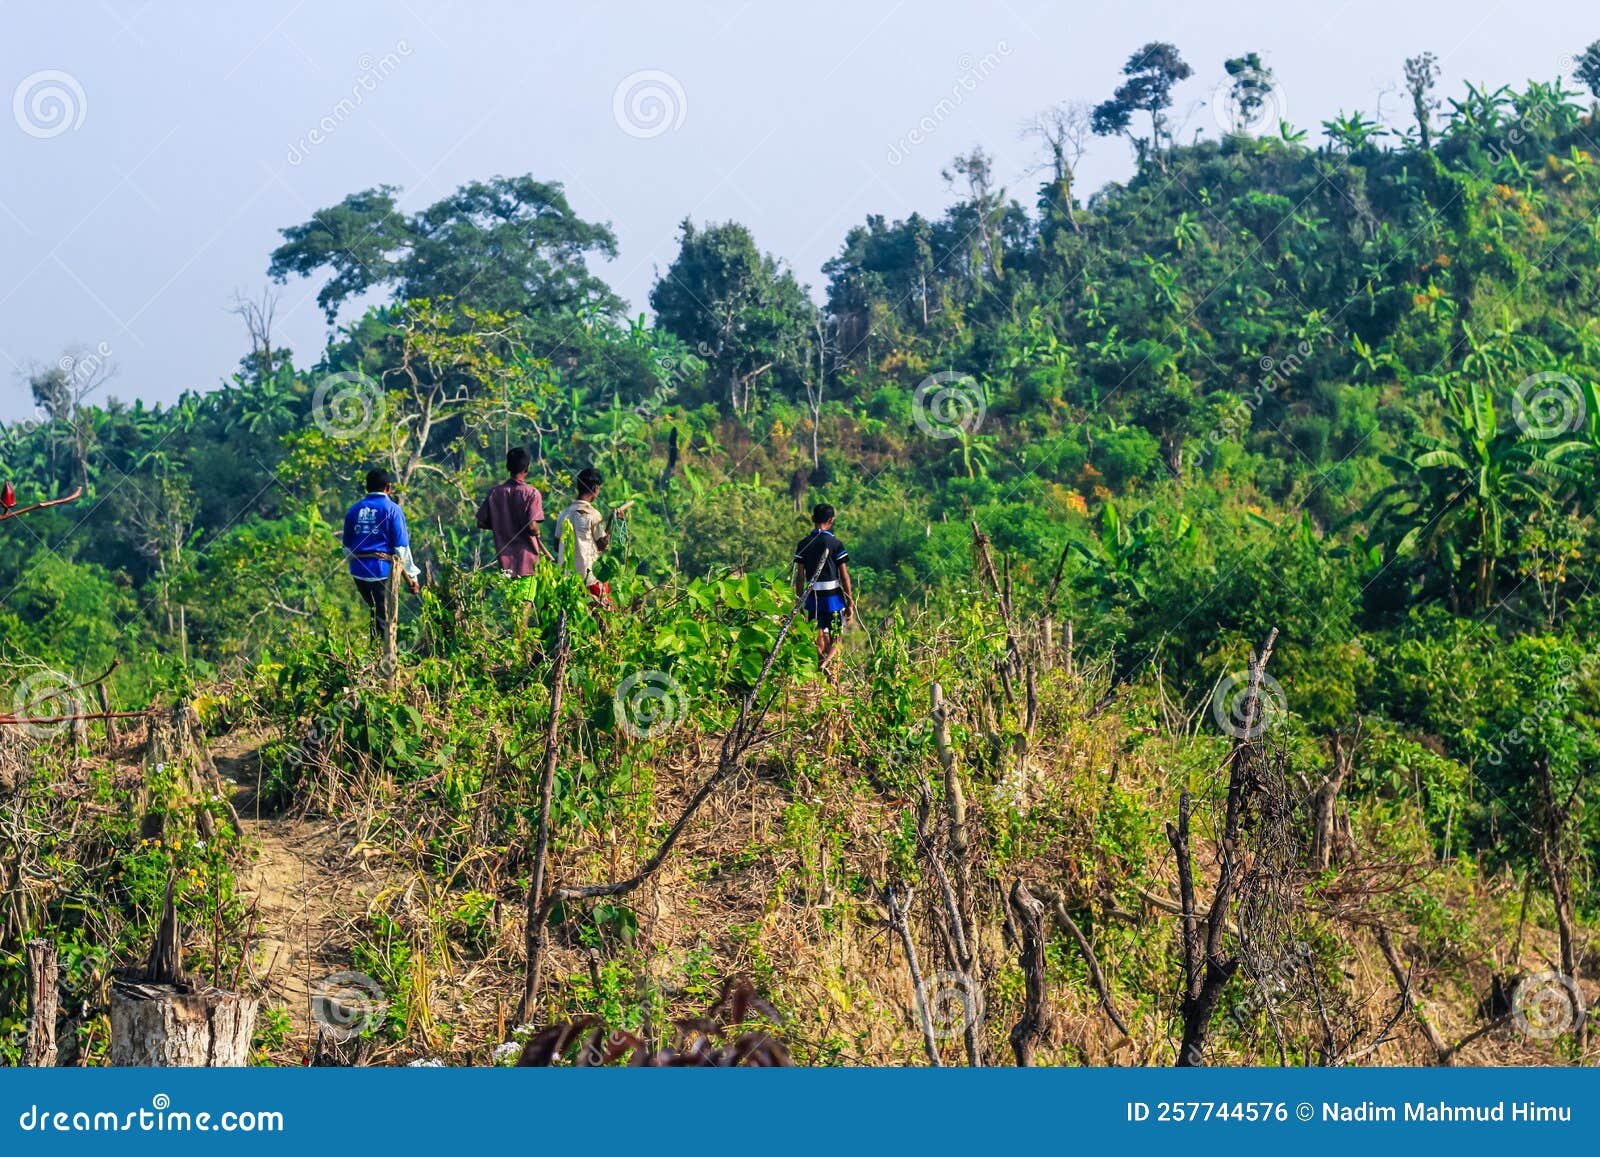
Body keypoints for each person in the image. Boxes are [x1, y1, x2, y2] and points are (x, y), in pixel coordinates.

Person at [343, 468, 421, 639]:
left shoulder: (353, 510)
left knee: (376, 611)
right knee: (384, 617)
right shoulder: (393, 510)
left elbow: (347, 548)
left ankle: (377, 651)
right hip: (381, 571)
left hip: (359, 572)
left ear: (367, 488)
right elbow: (401, 548)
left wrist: (358, 564)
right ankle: (386, 658)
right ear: (388, 487)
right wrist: (413, 578)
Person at [555, 466, 632, 608]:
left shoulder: (563, 514)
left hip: (566, 579)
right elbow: (602, 545)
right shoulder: (592, 514)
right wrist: (612, 524)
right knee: (601, 616)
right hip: (589, 577)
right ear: (595, 488)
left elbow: (556, 545)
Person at [794, 503, 853, 667]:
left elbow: (800, 577)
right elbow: (844, 575)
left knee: (816, 636)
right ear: (831, 520)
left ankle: (821, 660)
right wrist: (850, 602)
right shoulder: (835, 543)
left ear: (813, 519)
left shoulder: (804, 544)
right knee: (837, 638)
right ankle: (826, 663)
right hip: (833, 598)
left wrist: (799, 603)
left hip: (813, 598)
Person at [475, 446, 550, 575]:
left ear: (508, 467)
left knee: (510, 595)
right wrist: (537, 531)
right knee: (526, 596)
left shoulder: (495, 493)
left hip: (505, 566)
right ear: (527, 469)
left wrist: (502, 524)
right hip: (528, 565)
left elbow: (481, 523)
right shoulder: (532, 494)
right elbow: (532, 527)